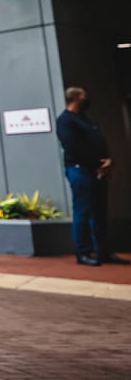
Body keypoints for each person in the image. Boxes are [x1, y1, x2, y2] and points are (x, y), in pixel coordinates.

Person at [56, 86, 128, 266]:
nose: (87, 98)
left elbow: (100, 142)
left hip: (97, 171)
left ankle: (103, 252)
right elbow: (73, 147)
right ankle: (83, 253)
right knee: (83, 211)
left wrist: (108, 161)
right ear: (76, 98)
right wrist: (97, 163)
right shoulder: (65, 121)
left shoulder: (87, 120)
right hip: (80, 170)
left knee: (100, 212)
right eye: (84, 96)